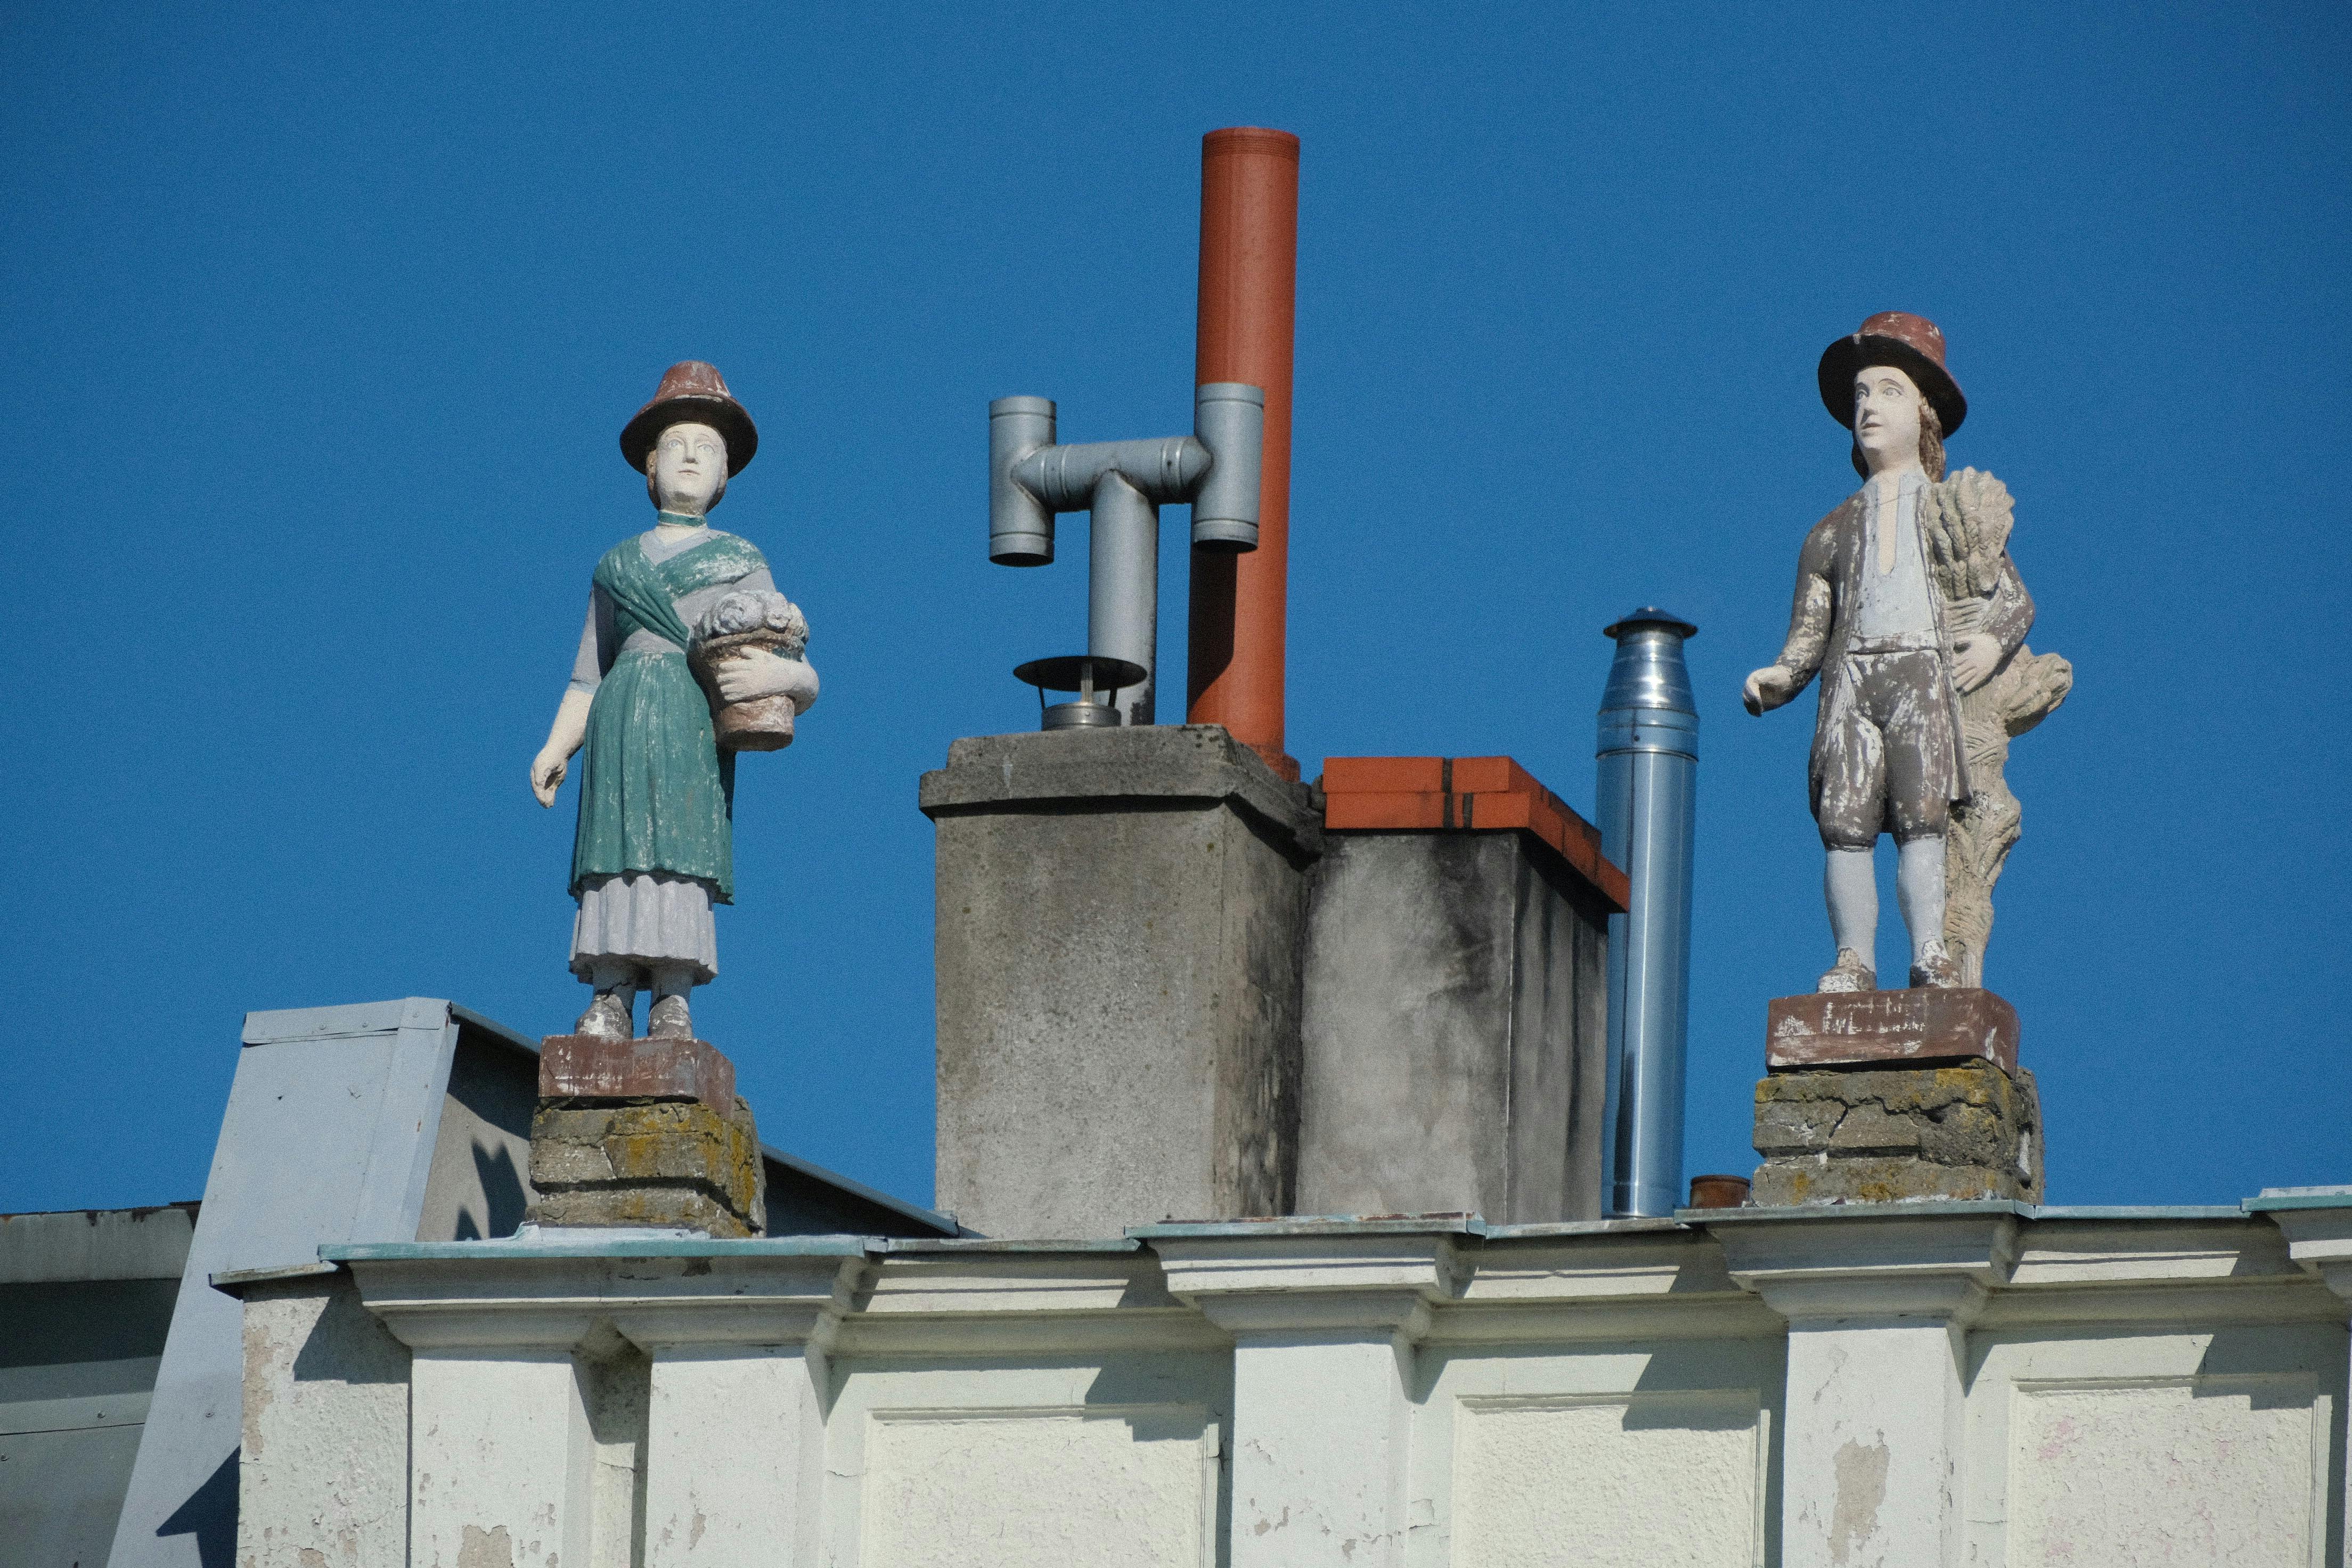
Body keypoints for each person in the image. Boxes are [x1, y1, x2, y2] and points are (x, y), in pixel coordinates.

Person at [1742, 313, 2034, 993]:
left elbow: (2014, 599)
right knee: (1845, 824)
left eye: (1888, 392)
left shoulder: (1947, 513)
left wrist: (1990, 643)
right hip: (1851, 681)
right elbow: (1810, 632)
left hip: (1919, 674)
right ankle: (1853, 959)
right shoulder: (1831, 531)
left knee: (1921, 820)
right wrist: (1780, 676)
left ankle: (1930, 950)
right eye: (1860, 396)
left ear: (1925, 413)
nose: (1869, 407)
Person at [529, 362, 815, 1040]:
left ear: (725, 476)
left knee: (681, 853)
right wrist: (555, 745)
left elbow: (801, 673)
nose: (691, 459)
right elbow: (586, 677)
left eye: (707, 449)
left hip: (691, 722)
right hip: (622, 720)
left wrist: (776, 683)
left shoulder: (740, 562)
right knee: (616, 852)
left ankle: (674, 997)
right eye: (677, 447)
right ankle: (610, 992)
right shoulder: (616, 566)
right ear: (649, 468)